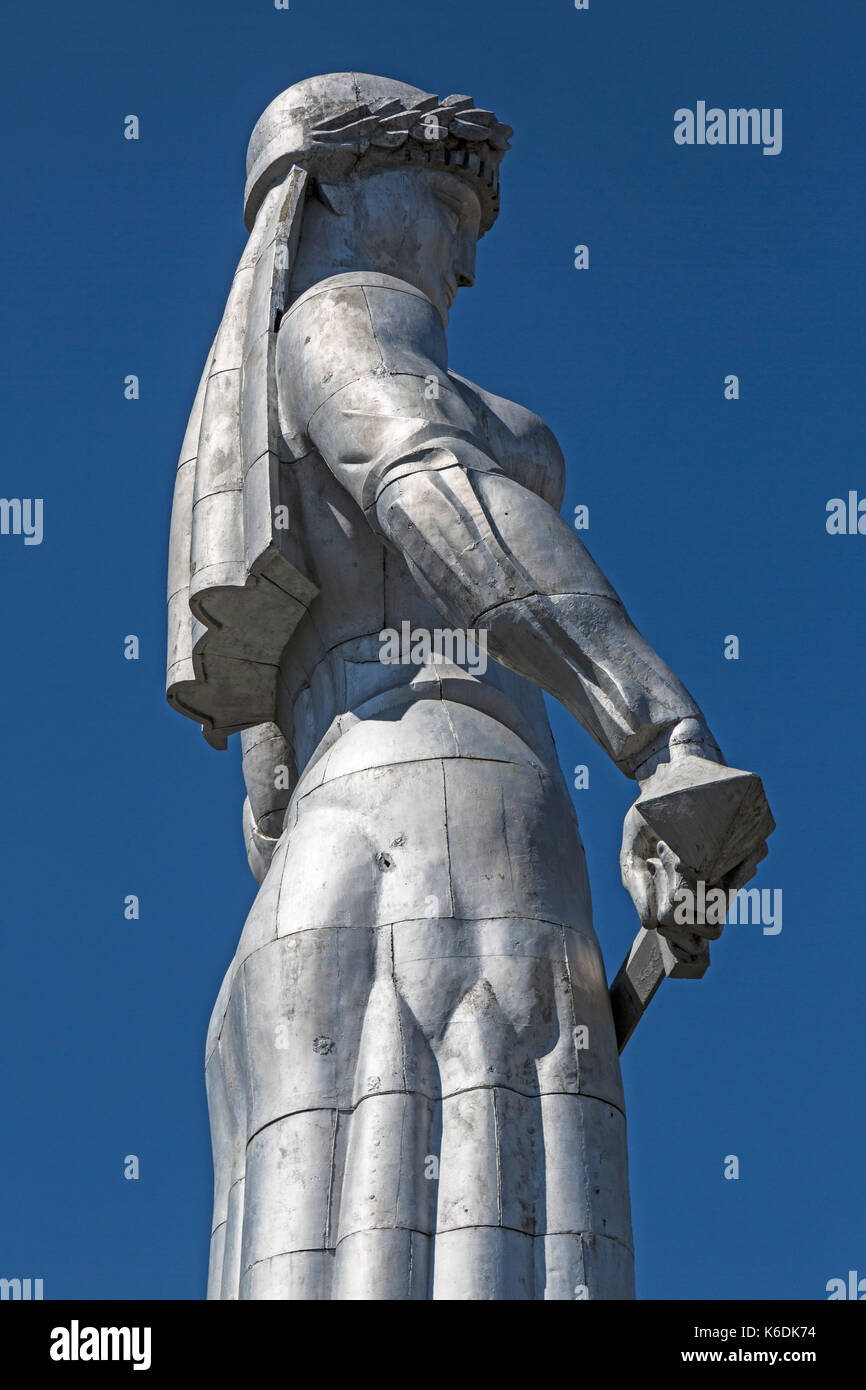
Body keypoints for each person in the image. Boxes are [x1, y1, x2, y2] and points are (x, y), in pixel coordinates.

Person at [167, 73, 768, 1300]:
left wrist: (643, 953)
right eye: (450, 205)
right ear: (333, 188)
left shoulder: (291, 442)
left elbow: (268, 804)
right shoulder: (338, 322)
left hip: (384, 868)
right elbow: (434, 485)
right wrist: (663, 736)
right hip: (426, 848)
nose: (467, 263)